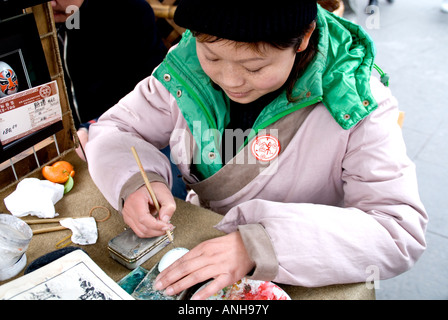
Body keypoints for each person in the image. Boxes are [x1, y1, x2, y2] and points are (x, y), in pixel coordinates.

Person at [86, 0, 427, 300]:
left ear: (304, 37)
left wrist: (261, 245)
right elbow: (117, 128)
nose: (230, 80)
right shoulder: (186, 65)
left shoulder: (356, 101)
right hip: (204, 237)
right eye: (213, 57)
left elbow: (397, 230)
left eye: (254, 67)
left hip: (306, 263)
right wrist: (136, 181)